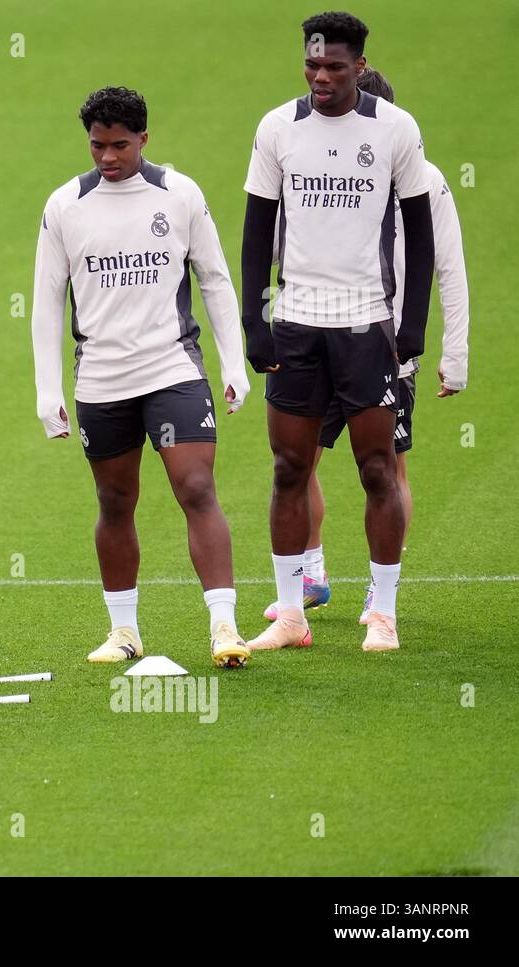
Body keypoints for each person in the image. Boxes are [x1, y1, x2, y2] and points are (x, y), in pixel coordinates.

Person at [32, 87, 252, 669]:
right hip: (101, 380)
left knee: (196, 487)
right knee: (114, 499)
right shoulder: (64, 207)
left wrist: (234, 363)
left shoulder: (179, 195)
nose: (107, 157)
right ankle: (124, 630)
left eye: (120, 145)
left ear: (145, 139)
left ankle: (225, 626)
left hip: (171, 370)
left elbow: (215, 280)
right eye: (98, 145)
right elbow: (46, 303)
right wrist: (47, 391)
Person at [241, 12, 435, 655]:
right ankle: (292, 615)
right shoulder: (277, 128)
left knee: (378, 469)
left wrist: (412, 325)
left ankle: (383, 612)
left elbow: (421, 233)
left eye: (334, 67)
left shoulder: (394, 130)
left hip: (366, 325)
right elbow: (255, 231)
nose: (321, 77)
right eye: (312, 64)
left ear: (359, 65)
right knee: (289, 468)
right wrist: (254, 323)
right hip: (297, 324)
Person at [261, 66, 470, 624]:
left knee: (384, 469)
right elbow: (285, 242)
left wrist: (452, 353)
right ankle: (311, 575)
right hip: (313, 331)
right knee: (297, 464)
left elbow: (448, 266)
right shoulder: (305, 157)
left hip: (385, 343)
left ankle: (382, 597)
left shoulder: (426, 179)